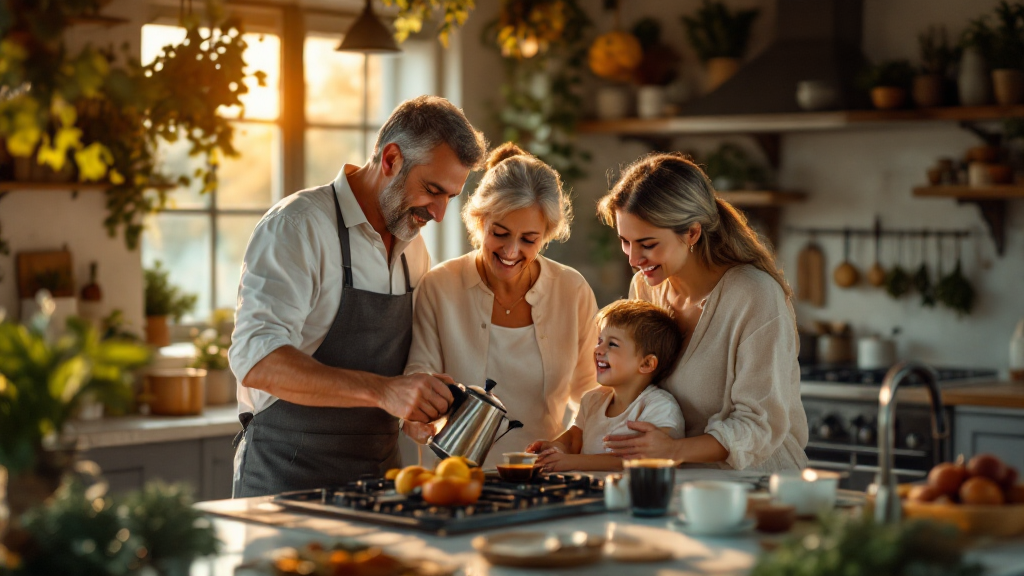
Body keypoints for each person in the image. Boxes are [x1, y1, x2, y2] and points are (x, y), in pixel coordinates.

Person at [229, 96, 488, 497]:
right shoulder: (298, 226)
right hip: (286, 480)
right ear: (390, 160)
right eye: (432, 190)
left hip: (378, 486)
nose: (438, 213)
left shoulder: (412, 247)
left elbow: (399, 368)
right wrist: (383, 391)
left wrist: (417, 406)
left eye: (449, 198)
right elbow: (257, 358)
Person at [596, 152, 809, 473]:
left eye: (648, 244)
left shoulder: (755, 295)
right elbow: (632, 389)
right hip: (680, 487)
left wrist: (672, 450)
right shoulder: (646, 288)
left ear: (692, 233)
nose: (633, 259)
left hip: (759, 489)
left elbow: (759, 424)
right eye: (625, 241)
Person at [404, 142, 598, 468]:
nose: (510, 251)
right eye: (500, 233)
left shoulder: (571, 289)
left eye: (528, 239)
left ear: (546, 235)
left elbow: (594, 396)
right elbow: (419, 377)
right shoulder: (440, 286)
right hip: (454, 478)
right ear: (479, 222)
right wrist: (417, 416)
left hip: (539, 476)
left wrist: (565, 445)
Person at [526, 299, 686, 472]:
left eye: (612, 344)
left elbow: (650, 458)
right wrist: (556, 448)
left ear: (646, 363)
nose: (598, 350)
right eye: (599, 340)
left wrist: (571, 462)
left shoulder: (659, 407)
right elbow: (574, 439)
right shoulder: (592, 399)